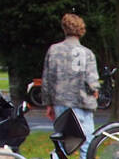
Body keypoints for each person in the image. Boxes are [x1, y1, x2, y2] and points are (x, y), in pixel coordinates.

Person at [41, 13, 99, 141]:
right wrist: (95, 91)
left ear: (64, 28)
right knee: (87, 143)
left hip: (60, 101)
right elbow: (91, 80)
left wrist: (49, 103)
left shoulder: (53, 50)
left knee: (61, 142)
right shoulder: (87, 53)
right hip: (81, 101)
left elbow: (47, 80)